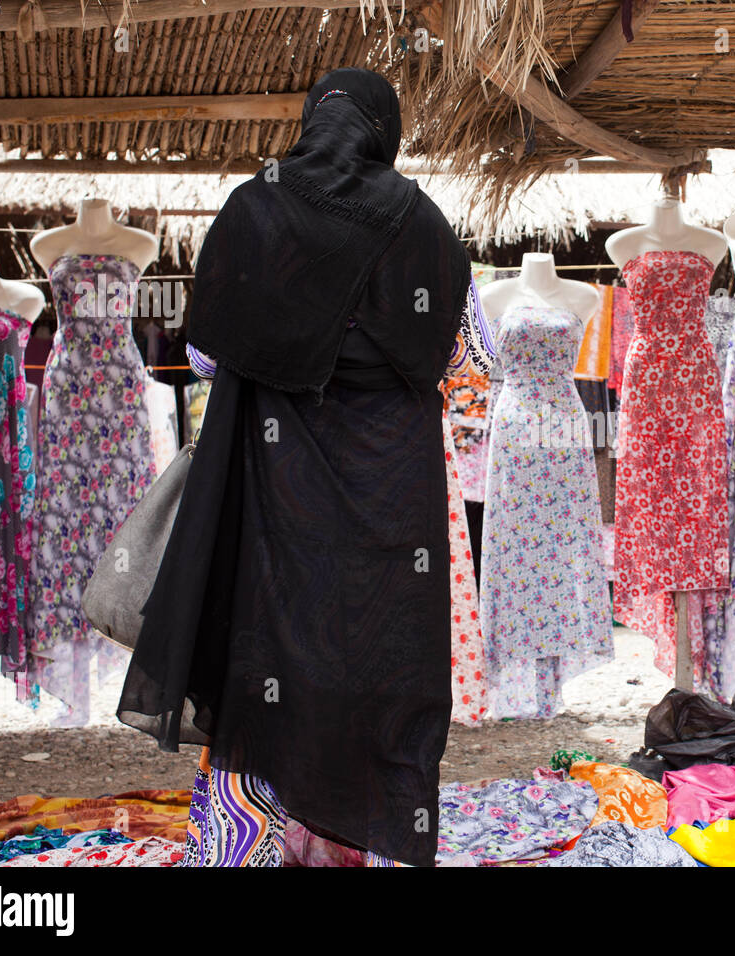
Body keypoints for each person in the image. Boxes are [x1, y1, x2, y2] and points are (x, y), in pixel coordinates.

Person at [116, 67, 472, 867]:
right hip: (389, 503)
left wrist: (287, 342)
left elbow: (205, 351)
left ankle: (246, 848)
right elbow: (458, 359)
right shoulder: (423, 224)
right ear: (386, 131)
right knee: (382, 663)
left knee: (265, 661)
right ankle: (372, 845)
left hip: (275, 503)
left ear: (313, 122)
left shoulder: (257, 207)